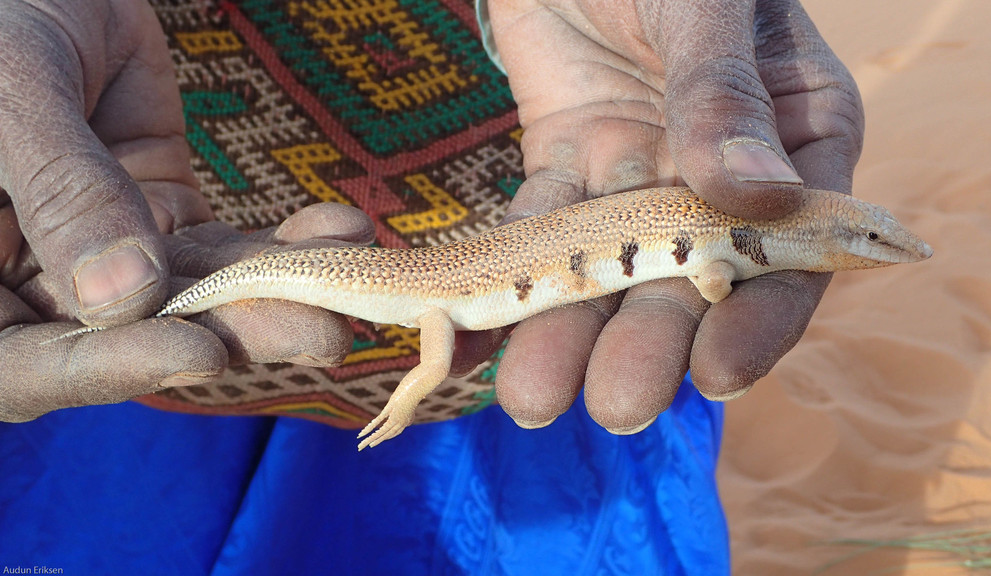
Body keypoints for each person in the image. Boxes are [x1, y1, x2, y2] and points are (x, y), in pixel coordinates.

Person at [0, 0, 862, 573]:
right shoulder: (728, 247)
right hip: (355, 273)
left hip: (482, 216)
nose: (869, 247)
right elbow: (712, 276)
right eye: (859, 239)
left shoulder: (730, 229)